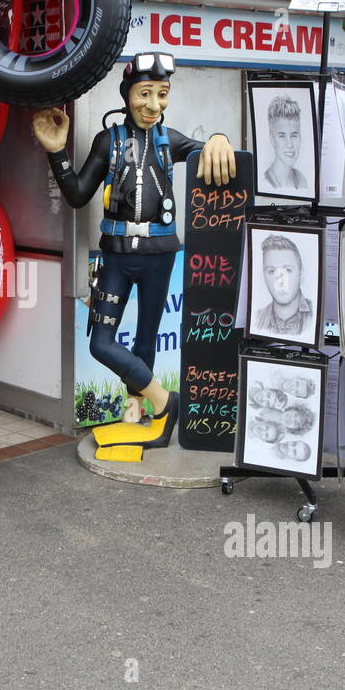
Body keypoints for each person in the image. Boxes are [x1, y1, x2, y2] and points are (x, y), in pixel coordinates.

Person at [32, 52, 236, 448]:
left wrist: (219, 139)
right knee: (101, 342)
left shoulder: (169, 141)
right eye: (145, 94)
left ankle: (136, 410)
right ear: (127, 95)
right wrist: (56, 150)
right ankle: (165, 402)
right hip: (116, 254)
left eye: (162, 94)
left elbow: (202, 146)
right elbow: (76, 194)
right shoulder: (107, 141)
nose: (154, 105)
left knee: (146, 337)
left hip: (160, 253)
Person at [254, 234, 314, 339]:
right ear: (263, 275)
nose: (280, 281)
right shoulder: (257, 318)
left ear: (301, 273)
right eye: (271, 271)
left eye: (288, 270)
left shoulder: (315, 315)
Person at [262, 94, 308, 193]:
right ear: (272, 139)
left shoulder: (302, 180)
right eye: (282, 136)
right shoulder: (264, 184)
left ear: (300, 137)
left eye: (294, 135)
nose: (290, 144)